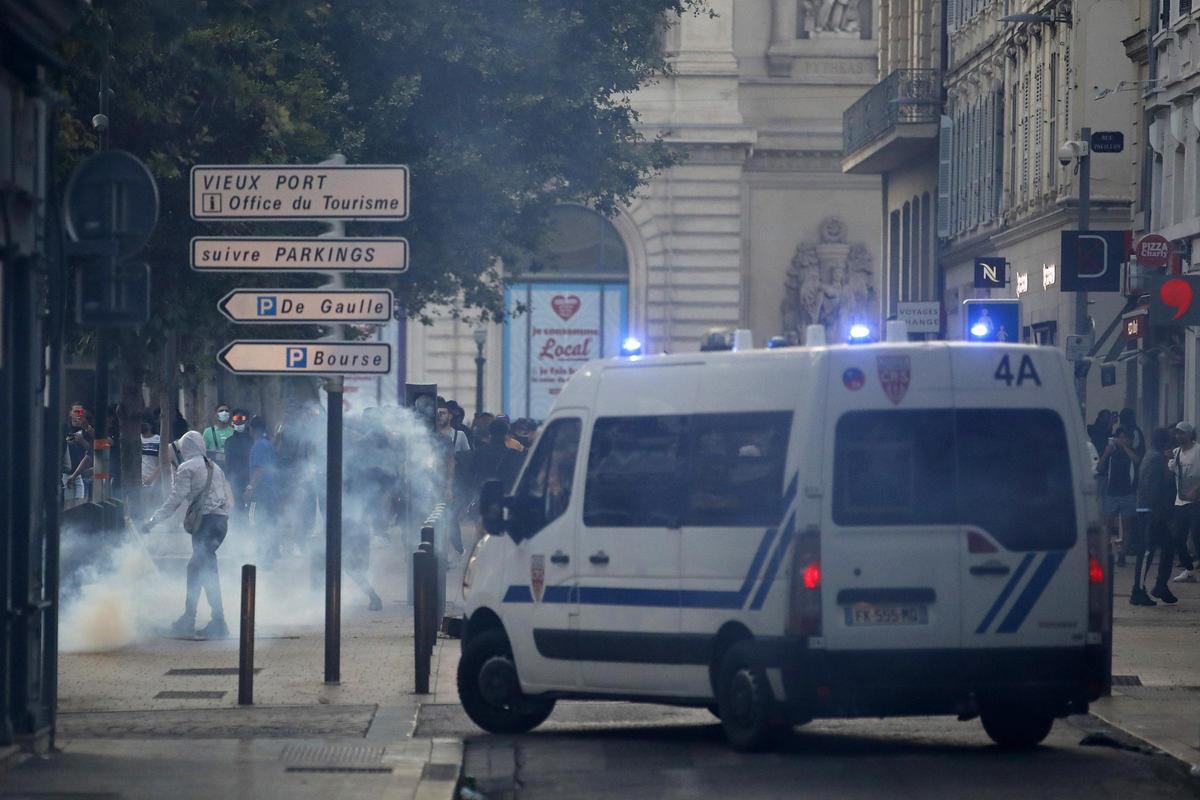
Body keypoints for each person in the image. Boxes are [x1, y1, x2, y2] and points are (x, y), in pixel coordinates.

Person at [142, 431, 234, 638]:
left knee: (196, 568)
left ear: (185, 448)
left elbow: (175, 500)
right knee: (206, 569)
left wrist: (152, 521)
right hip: (220, 523)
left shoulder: (187, 468)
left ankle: (194, 619)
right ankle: (215, 621)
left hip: (205, 523)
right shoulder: (215, 467)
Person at [1138, 427, 1177, 605]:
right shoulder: (1156, 458)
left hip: (1152, 511)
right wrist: (1158, 511)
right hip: (1152, 512)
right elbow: (1154, 488)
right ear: (1164, 442)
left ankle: (1160, 585)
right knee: (1148, 552)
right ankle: (1138, 590)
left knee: (1167, 547)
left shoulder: (1152, 455)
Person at [1097, 427, 1141, 567]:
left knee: (1127, 527)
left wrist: (1125, 447)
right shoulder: (1111, 452)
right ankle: (1107, 552)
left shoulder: (1133, 451)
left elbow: (1137, 461)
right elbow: (1099, 468)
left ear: (1130, 440)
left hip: (1128, 494)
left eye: (1124, 437)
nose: (1122, 440)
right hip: (1111, 494)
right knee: (1107, 526)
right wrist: (1106, 453)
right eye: (1119, 437)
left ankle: (1122, 555)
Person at [244, 416, 281, 566]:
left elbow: (259, 470)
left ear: (252, 429)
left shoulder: (258, 446)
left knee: (258, 522)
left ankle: (264, 557)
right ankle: (270, 555)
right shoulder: (268, 444)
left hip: (261, 494)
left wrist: (250, 488)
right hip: (271, 492)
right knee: (269, 523)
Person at [1170, 422, 1200, 583]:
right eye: (1177, 433)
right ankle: (1188, 569)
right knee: (1177, 536)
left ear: (1189, 434)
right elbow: (1172, 471)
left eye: (1182, 433)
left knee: (1196, 534)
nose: (1179, 436)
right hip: (1180, 500)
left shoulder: (1198, 451)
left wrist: (1196, 488)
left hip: (1196, 500)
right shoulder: (1176, 452)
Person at [223, 409, 254, 525]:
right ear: (232, 421)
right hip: (234, 480)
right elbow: (227, 463)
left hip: (248, 479)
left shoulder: (251, 440)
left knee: (249, 509)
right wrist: (228, 481)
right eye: (236, 419)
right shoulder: (229, 441)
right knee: (236, 508)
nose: (239, 421)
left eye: (242, 419)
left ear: (246, 421)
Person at [63, 402, 94, 505]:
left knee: (81, 504)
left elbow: (93, 449)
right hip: (66, 472)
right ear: (70, 413)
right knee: (67, 503)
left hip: (83, 472)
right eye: (75, 411)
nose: (78, 414)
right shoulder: (65, 428)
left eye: (80, 412)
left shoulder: (87, 430)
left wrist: (81, 441)